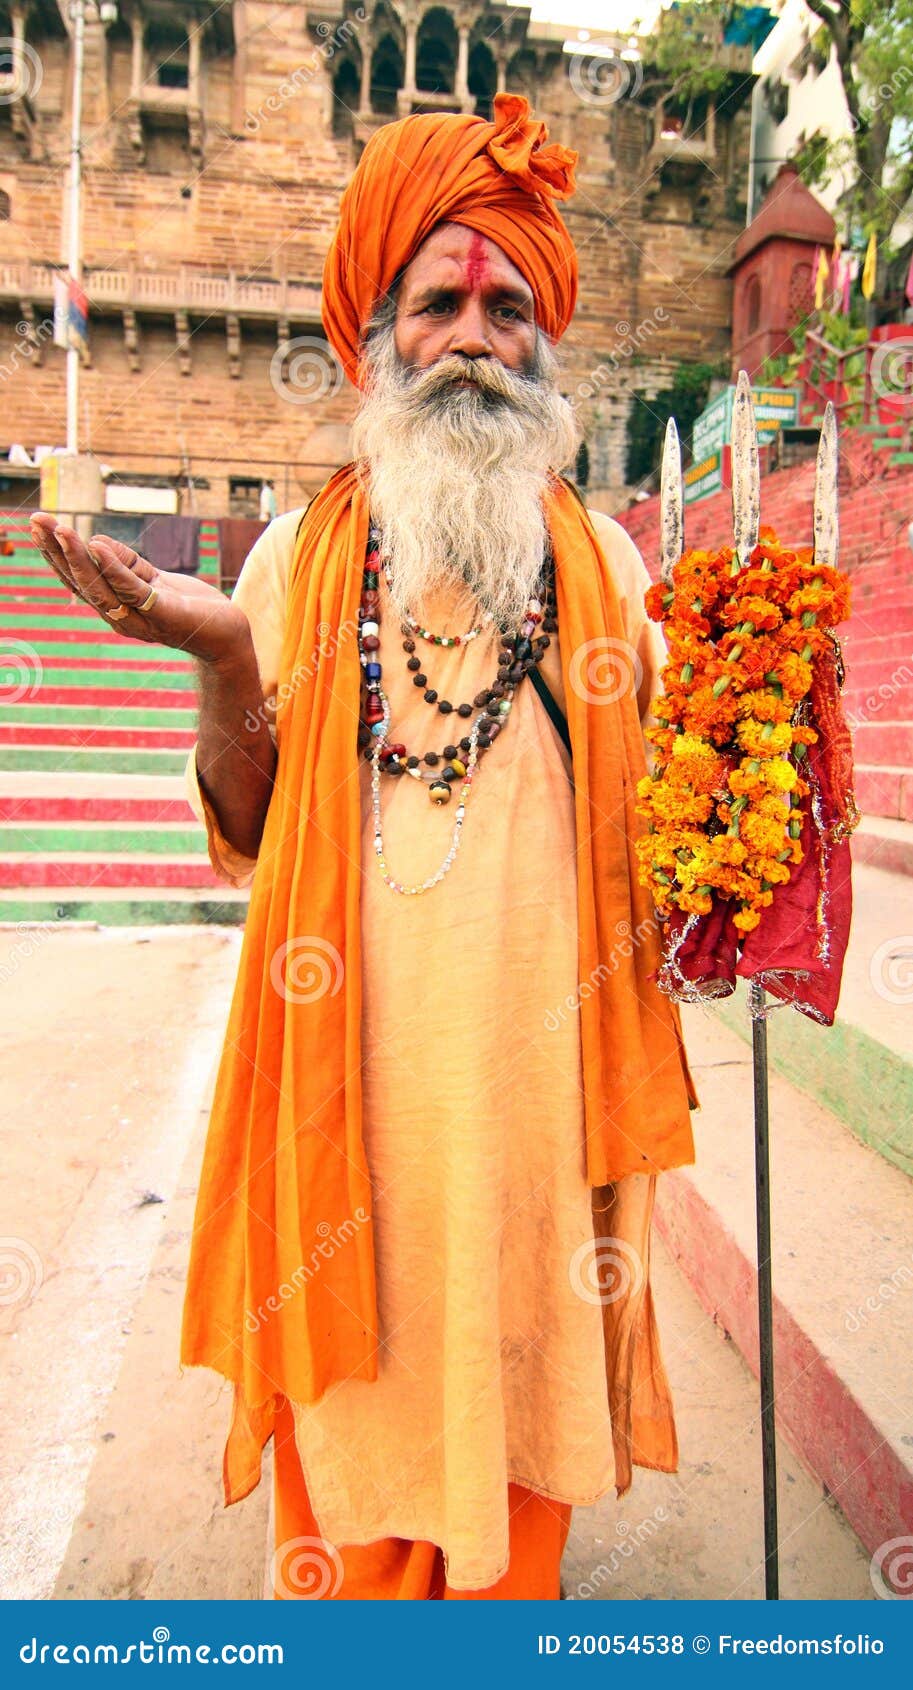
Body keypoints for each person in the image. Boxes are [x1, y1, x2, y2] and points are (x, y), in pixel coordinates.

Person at [27, 93, 698, 1603]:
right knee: (357, 1483)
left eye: (505, 305)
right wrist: (215, 659)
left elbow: (680, 835)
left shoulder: (603, 570)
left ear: (547, 339)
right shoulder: (294, 562)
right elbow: (251, 828)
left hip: (540, 1128)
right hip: (350, 1140)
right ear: (373, 332)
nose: (472, 335)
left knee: (525, 1442)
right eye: (437, 301)